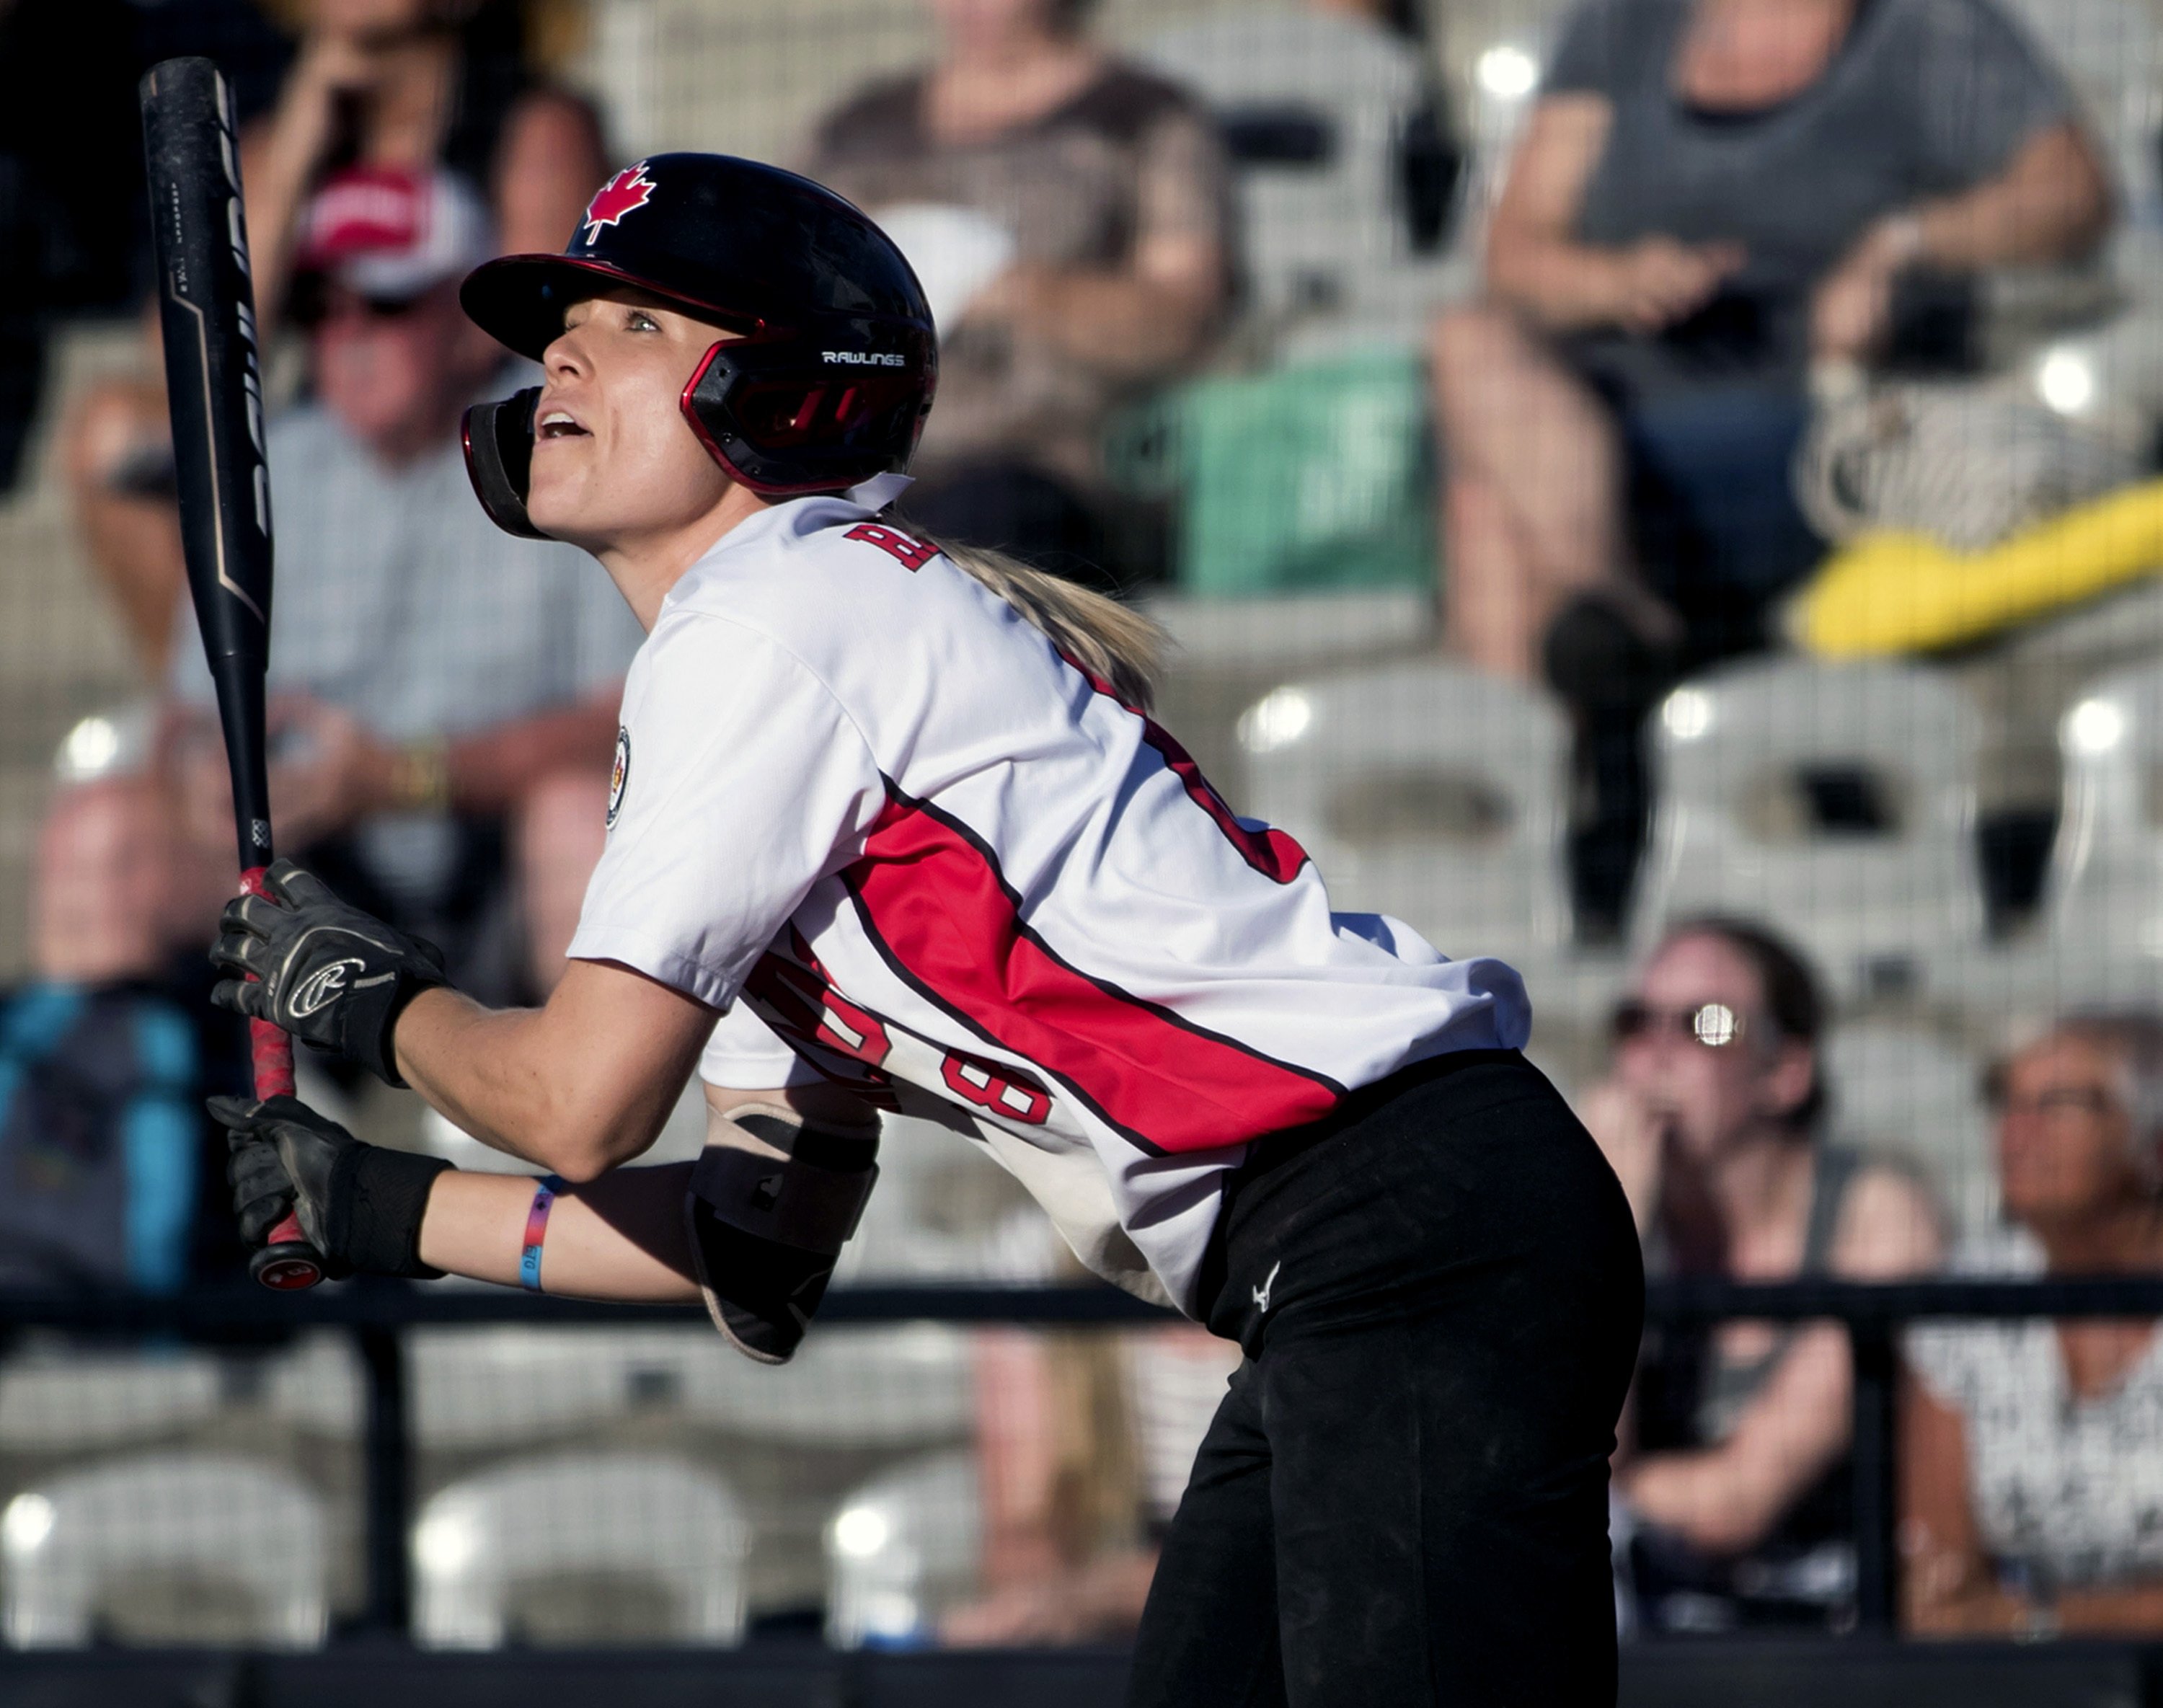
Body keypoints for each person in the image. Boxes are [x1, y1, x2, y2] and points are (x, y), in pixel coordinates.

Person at [195, 154, 1642, 1705]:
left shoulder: (770, 618)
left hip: (1404, 1227)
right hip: (1367, 1254)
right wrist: (394, 1207)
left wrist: (363, 995)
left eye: (634, 324)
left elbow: (578, 1103)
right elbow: (759, 1247)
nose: (561, 356)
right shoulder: (773, 664)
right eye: (562, 330)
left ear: (778, 392)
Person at [1431, 0, 2111, 929]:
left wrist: (1902, 244)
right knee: (1470, 348)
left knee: (1489, 504)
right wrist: (1617, 282)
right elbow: (1514, 252)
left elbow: (2073, 196)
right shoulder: (1625, 26)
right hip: (1602, 413)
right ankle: (1604, 627)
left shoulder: (1929, 29)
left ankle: (1531, 860)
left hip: (1818, 417)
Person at [147, 164, 640, 1001]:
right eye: (321, 308)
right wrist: (200, 774)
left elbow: (626, 720)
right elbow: (178, 720)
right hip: (311, 859)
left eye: (386, 303)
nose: (349, 334)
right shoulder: (270, 464)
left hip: (499, 870)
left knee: (574, 818)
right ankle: (136, 1076)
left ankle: (572, 1075)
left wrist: (405, 775)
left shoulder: (558, 448)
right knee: (105, 832)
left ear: (467, 325)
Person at [66, 0, 606, 676]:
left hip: (465, 439)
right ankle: (220, 700)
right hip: (326, 443)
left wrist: (406, 338)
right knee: (114, 432)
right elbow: (185, 353)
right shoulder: (280, 137)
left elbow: (547, 337)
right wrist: (297, 149)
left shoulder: (533, 123)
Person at [1582, 917, 1940, 1629]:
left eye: (1707, 1025)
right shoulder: (1604, 1216)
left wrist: (1610, 1487)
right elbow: (1573, 1448)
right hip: (1642, 1612)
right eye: (1635, 1022)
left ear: (1786, 1072)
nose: (1657, 1053)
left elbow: (1739, 1501)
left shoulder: (1876, 1215)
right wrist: (1603, 1230)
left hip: (1832, 1622)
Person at [806, 0, 1231, 590]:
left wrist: (1009, 288)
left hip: (1046, 472)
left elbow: (1181, 319)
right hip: (855, 463)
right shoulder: (859, 130)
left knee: (964, 548)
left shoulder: (1136, 119)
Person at [1903, 1015, 2163, 1636]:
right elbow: (1940, 1589)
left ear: (2153, 1143)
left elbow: (1978, 1613)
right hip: (2023, 1677)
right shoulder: (1968, 1301)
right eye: (2007, 1104)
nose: (2017, 1133)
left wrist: (2033, 1618)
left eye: (2059, 1105)